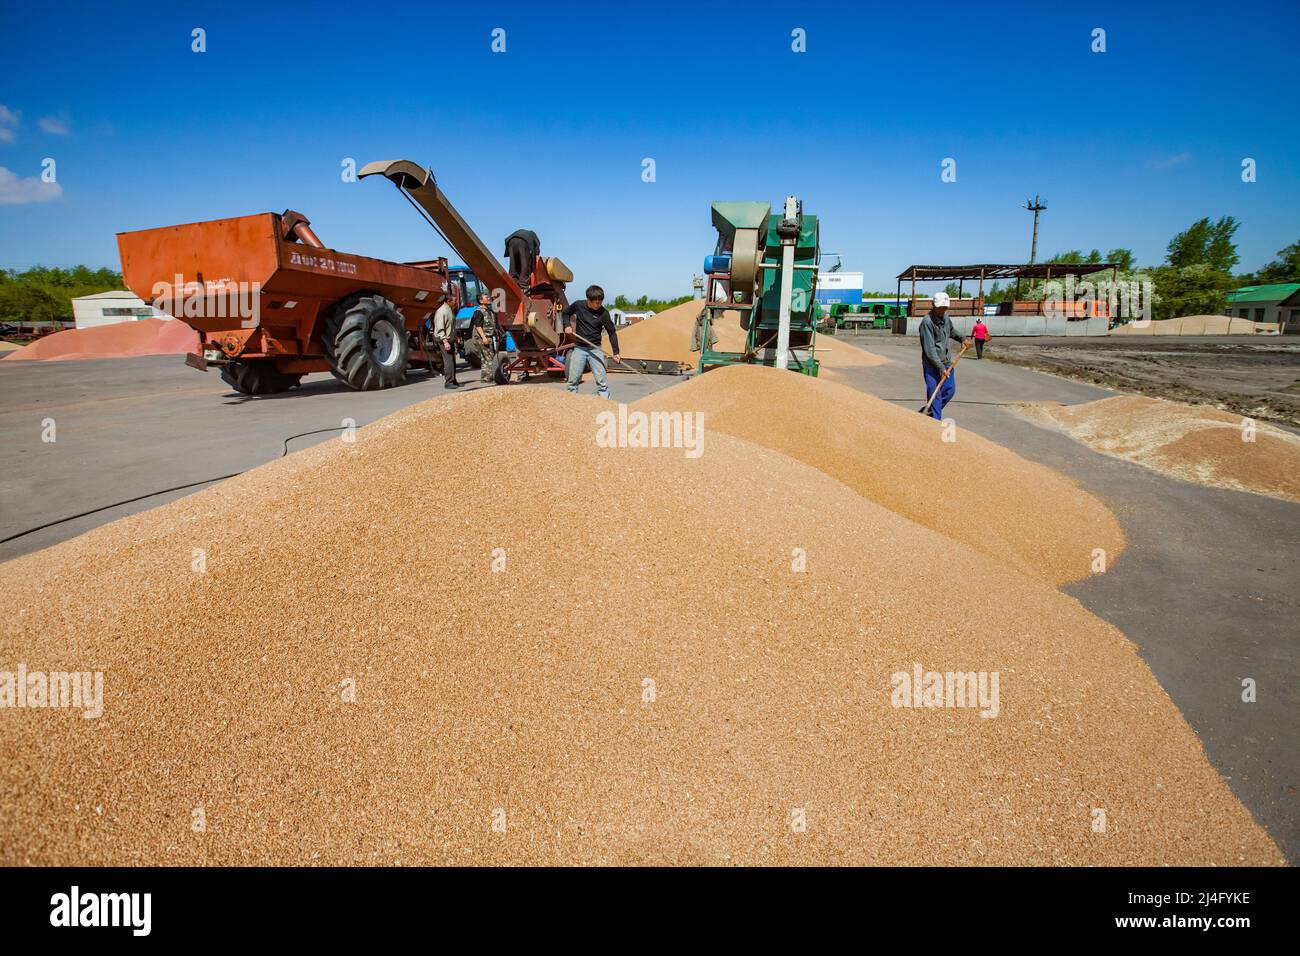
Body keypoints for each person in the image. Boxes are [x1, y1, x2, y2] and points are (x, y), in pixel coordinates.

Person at [562, 285, 621, 399]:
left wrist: (616, 352)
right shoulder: (579, 305)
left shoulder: (604, 313)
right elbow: (565, 313)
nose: (599, 305)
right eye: (596, 303)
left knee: (601, 382)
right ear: (589, 300)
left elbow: (612, 332)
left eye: (600, 302)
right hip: (580, 349)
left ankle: (604, 404)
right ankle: (570, 404)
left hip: (595, 349)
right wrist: (567, 325)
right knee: (572, 381)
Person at [919, 291, 969, 420]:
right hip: (932, 365)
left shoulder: (946, 317)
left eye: (945, 308)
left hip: (947, 362)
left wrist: (962, 339)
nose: (942, 311)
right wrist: (940, 368)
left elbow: (951, 331)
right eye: (940, 308)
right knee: (935, 395)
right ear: (933, 305)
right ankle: (935, 420)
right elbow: (929, 350)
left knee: (949, 390)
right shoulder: (927, 323)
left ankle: (929, 412)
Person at [432, 291, 460, 389]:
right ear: (448, 301)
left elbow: (450, 326)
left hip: (450, 339)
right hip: (444, 340)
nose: (456, 303)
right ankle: (448, 382)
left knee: (452, 360)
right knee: (448, 360)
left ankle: (453, 380)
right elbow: (440, 328)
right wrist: (445, 341)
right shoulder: (442, 311)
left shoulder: (449, 309)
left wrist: (455, 337)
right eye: (454, 301)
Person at [470, 291, 498, 383]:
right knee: (489, 358)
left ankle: (486, 378)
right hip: (484, 337)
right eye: (487, 297)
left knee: (486, 358)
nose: (489, 298)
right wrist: (484, 337)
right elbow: (478, 326)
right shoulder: (478, 312)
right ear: (481, 300)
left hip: (490, 336)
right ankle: (490, 377)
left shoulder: (488, 310)